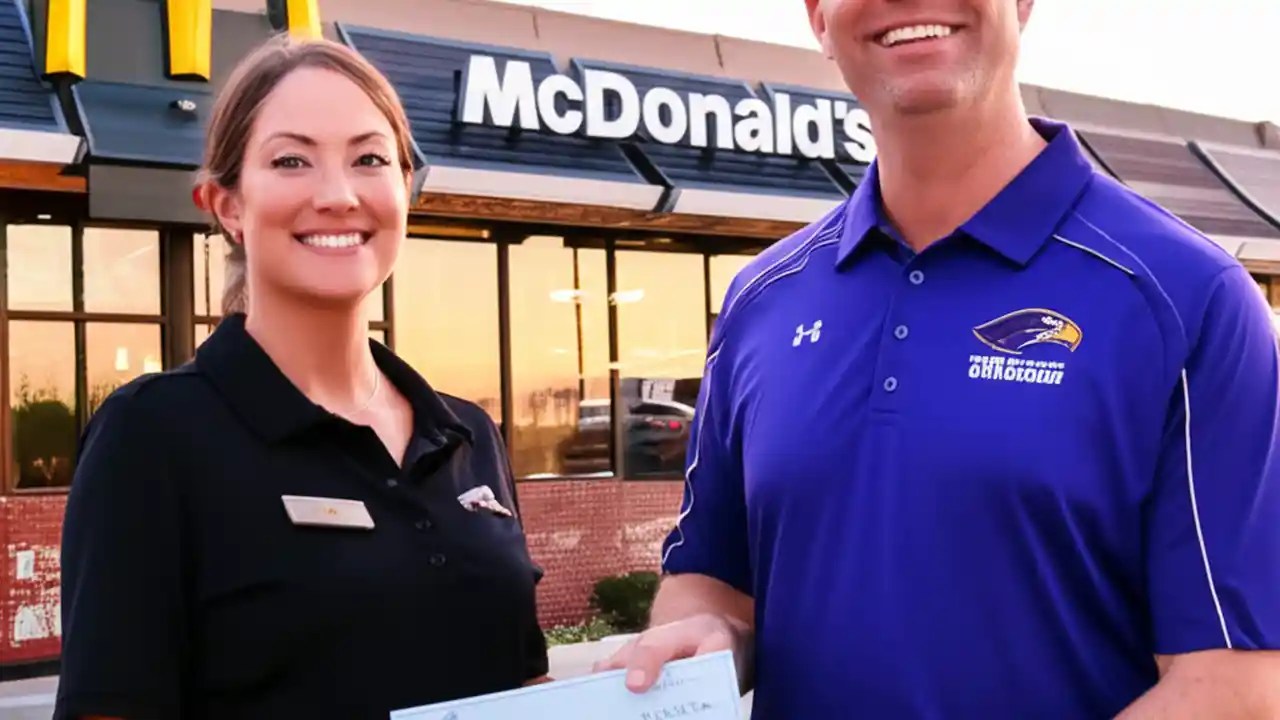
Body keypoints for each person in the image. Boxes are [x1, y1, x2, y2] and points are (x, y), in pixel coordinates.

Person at [598, 1, 1280, 717]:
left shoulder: (1185, 298)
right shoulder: (761, 301)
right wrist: (705, 631)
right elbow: (712, 579)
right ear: (818, 17)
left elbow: (1235, 685)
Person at [55, 35, 549, 720]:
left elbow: (517, 685)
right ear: (226, 205)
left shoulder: (468, 434)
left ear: (405, 189)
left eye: (370, 159)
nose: (339, 194)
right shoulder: (154, 435)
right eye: (291, 160)